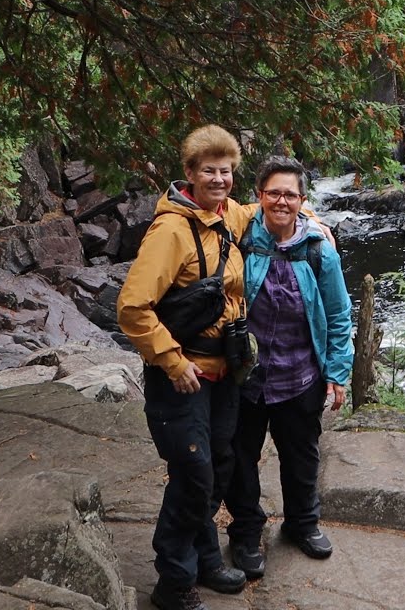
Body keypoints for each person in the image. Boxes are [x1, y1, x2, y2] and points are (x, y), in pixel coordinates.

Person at [116, 124, 253, 610]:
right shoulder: (171, 231)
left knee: (218, 467)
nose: (219, 179)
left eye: (227, 171)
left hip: (223, 372)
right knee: (193, 475)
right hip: (182, 376)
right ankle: (173, 582)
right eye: (209, 171)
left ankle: (207, 558)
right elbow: (132, 307)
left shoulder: (227, 215)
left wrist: (305, 218)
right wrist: (171, 362)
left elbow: (257, 212)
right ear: (189, 173)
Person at [224, 155, 353, 581]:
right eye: (273, 192)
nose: (282, 201)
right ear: (258, 196)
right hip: (245, 376)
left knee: (301, 455)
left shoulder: (318, 249)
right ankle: (245, 533)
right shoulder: (240, 236)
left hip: (300, 375)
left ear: (302, 200)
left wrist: (337, 373)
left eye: (291, 195)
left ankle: (303, 524)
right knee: (241, 457)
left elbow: (338, 314)